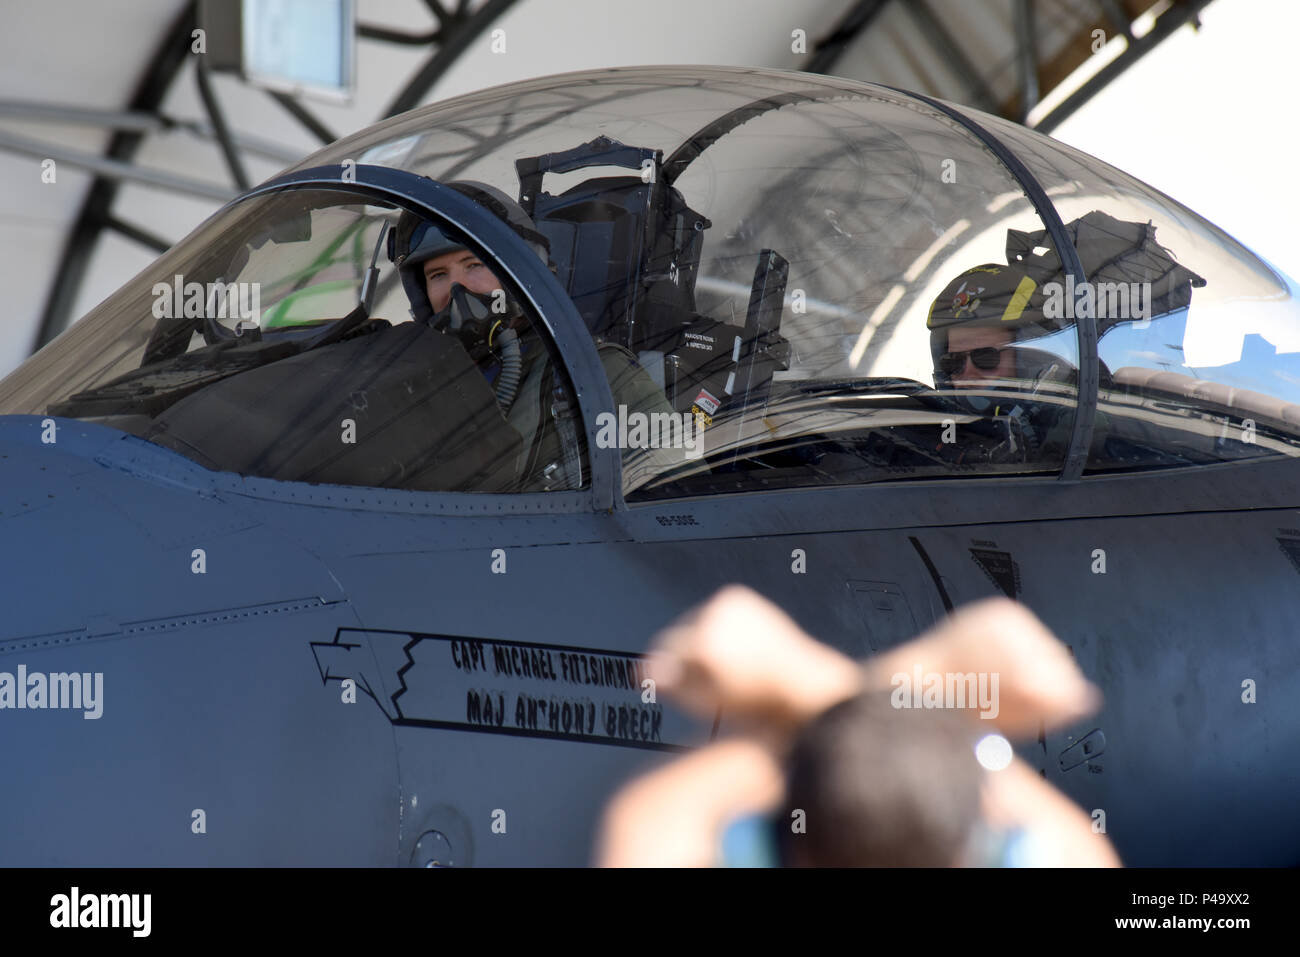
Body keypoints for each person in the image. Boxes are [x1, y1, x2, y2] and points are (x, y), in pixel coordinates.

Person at [595, 585, 1120, 867]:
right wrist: (925, 684)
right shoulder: (1061, 851)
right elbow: (1071, 849)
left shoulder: (653, 830)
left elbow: (649, 821)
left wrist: (806, 685)